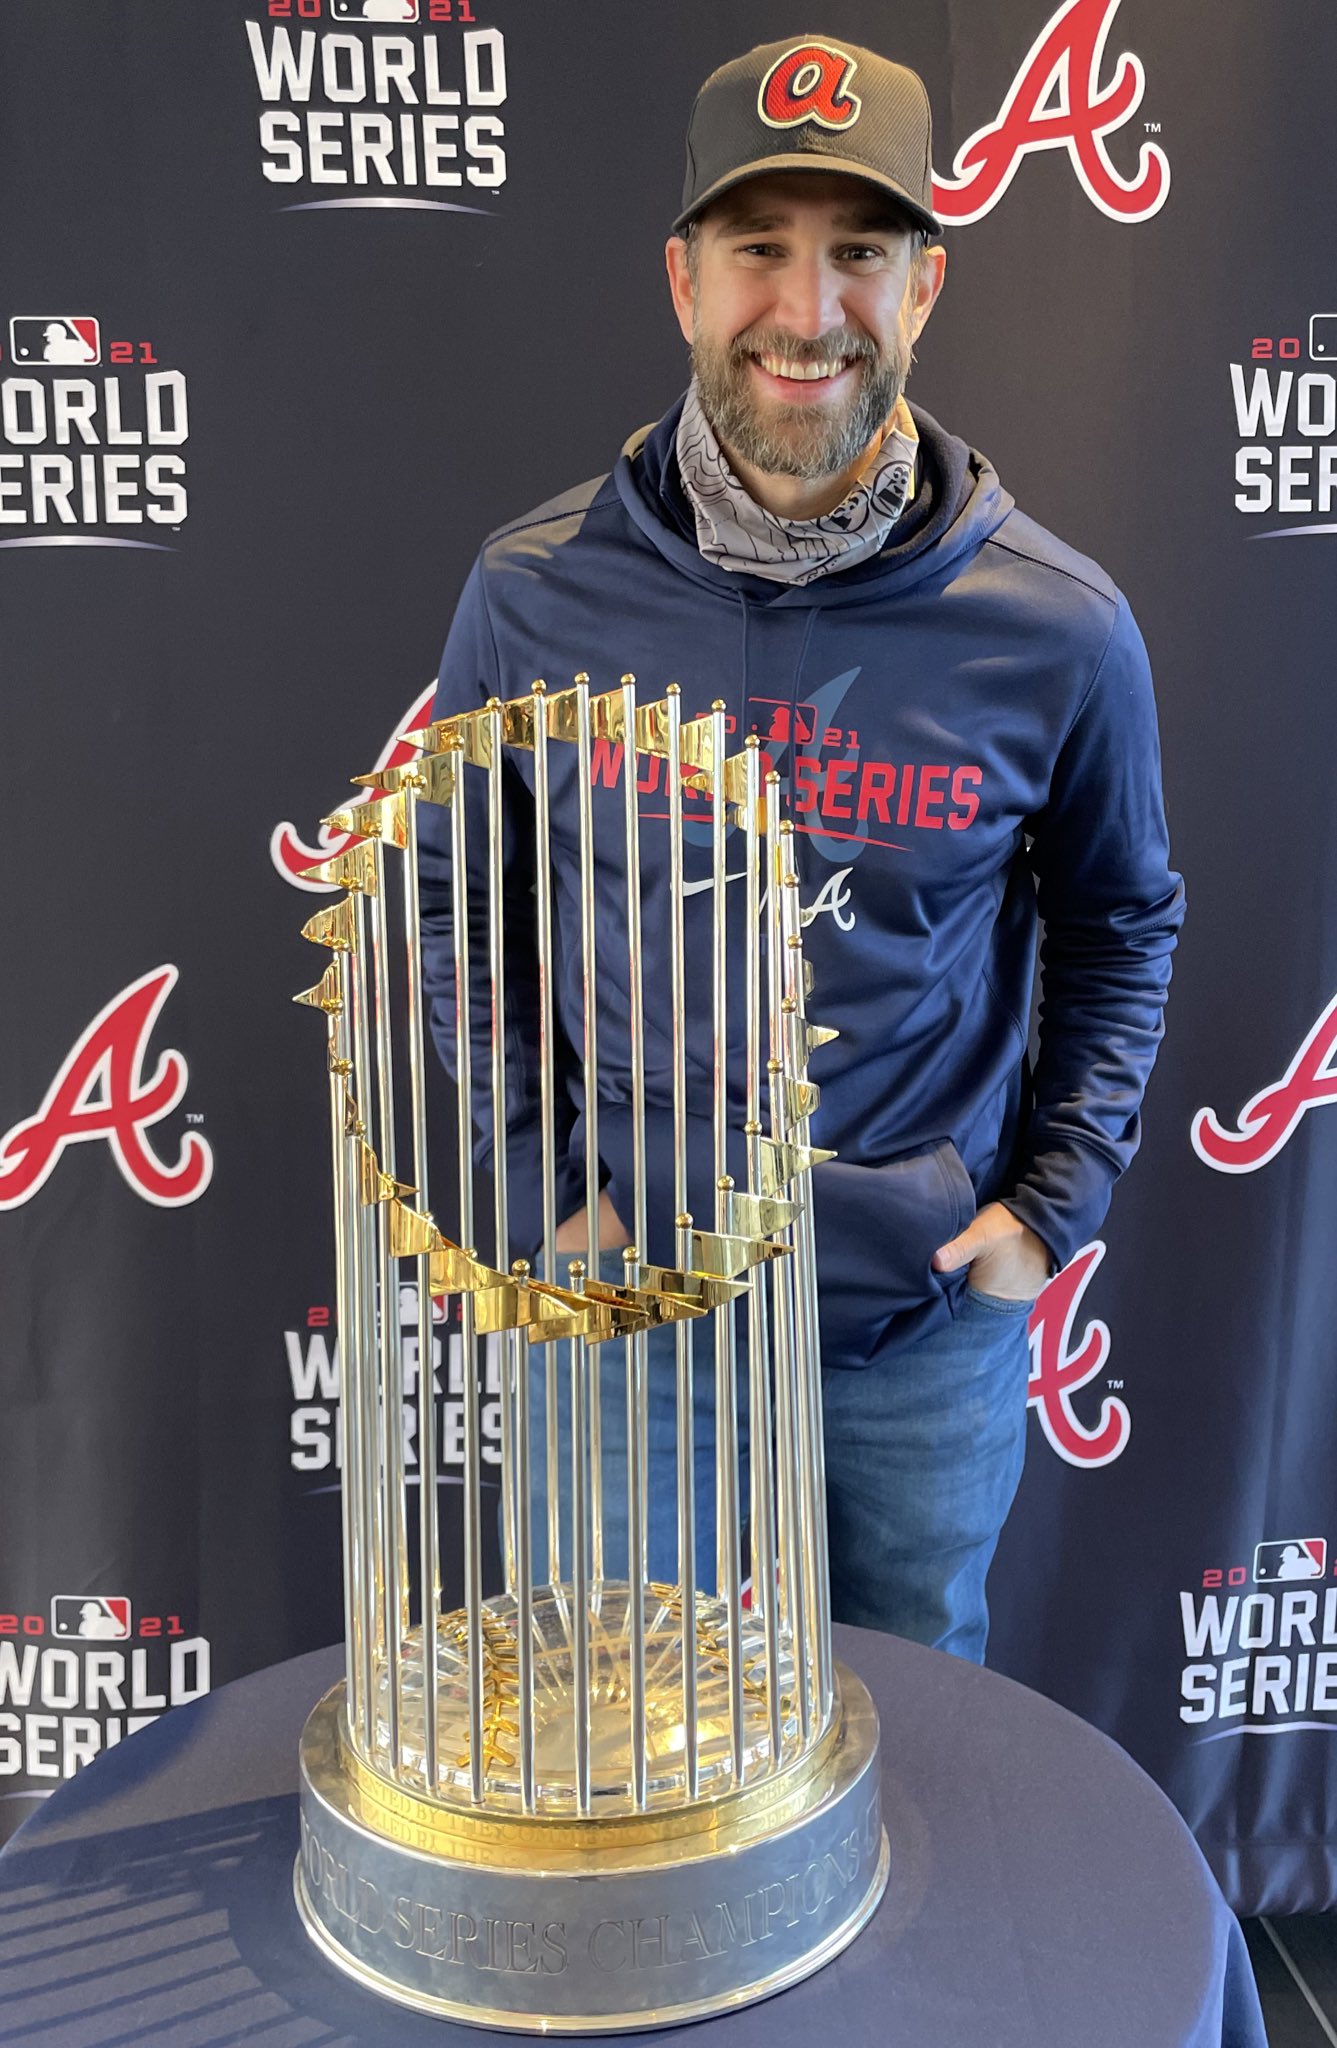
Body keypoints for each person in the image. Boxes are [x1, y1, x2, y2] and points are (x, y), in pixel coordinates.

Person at [418, 37, 1184, 1662]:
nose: (806, 306)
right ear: (685, 281)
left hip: (921, 1321)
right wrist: (549, 1198)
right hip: (628, 1313)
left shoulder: (1055, 626)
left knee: (912, 1739)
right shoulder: (535, 590)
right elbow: (453, 902)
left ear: (924, 289)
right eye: (760, 247)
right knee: (620, 1741)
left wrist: (1044, 1208)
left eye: (857, 252)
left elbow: (1122, 921)